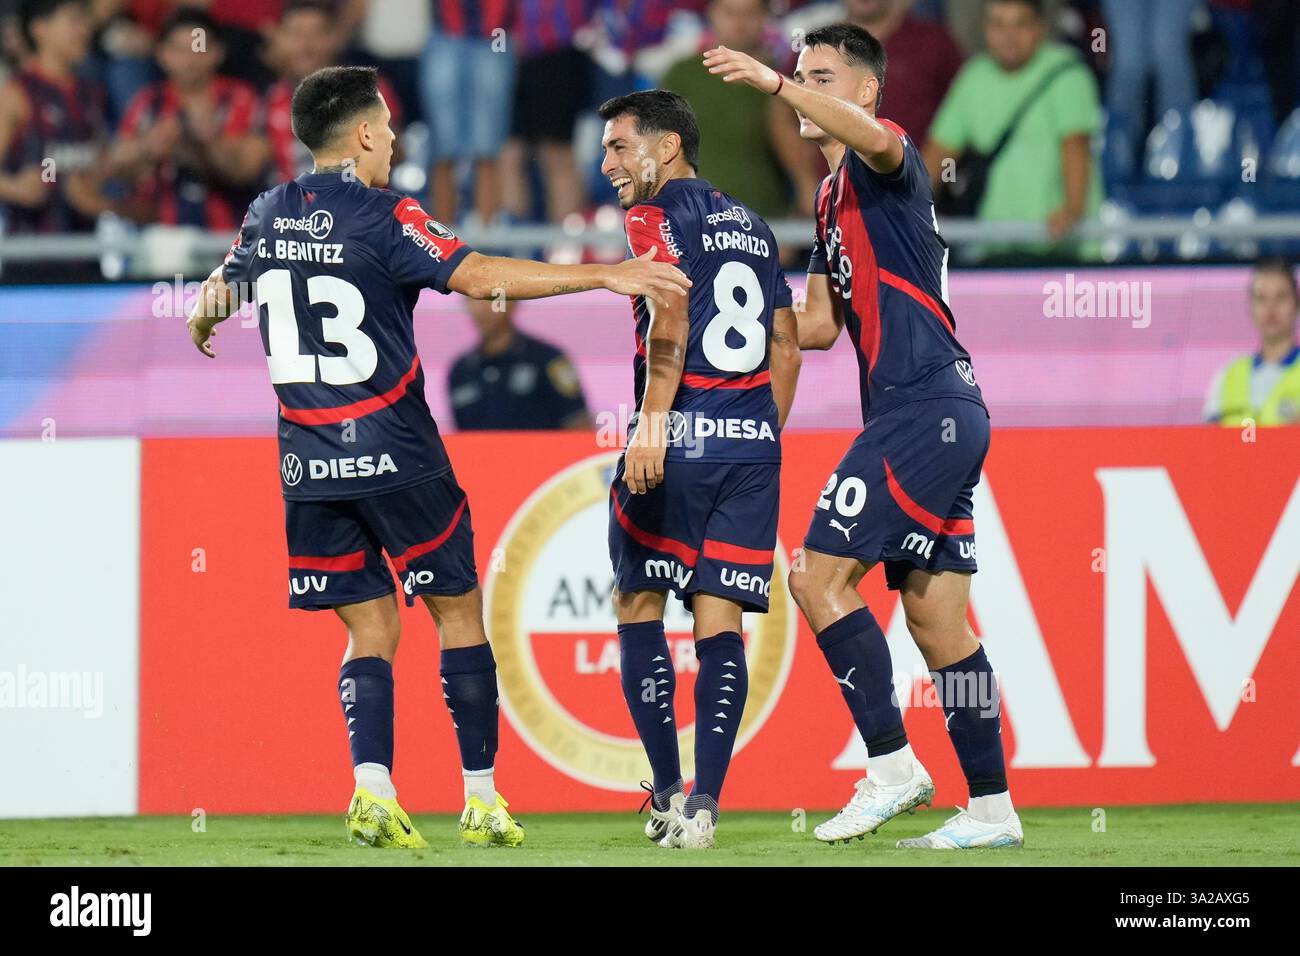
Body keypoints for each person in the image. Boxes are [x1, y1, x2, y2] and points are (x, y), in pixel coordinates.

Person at [184, 66, 691, 848]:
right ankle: (482, 799)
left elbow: (221, 288)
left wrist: (202, 315)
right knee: (456, 611)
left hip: (309, 467)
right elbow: (479, 276)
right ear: (360, 135)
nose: (391, 141)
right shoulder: (388, 214)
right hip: (396, 451)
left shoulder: (268, 211)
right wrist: (603, 272)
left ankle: (373, 789)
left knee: (370, 629)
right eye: (385, 128)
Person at [705, 23, 1023, 850]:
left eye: (821, 75)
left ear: (865, 91)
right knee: (938, 622)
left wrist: (774, 88)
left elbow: (873, 139)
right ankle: (991, 808)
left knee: (814, 574)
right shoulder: (827, 199)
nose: (801, 83)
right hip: (936, 412)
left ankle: (890, 767)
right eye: (797, 71)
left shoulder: (892, 158)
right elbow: (813, 328)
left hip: (925, 407)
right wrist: (733, 267)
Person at [599, 90, 801, 850]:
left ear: (668, 147)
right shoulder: (753, 224)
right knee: (720, 624)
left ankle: (667, 790)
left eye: (621, 146)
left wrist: (653, 424)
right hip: (751, 446)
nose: (608, 164)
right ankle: (706, 808)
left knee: (639, 602)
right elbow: (785, 343)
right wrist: (758, 431)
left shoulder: (653, 215)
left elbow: (671, 312)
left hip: (678, 436)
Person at [923, 0, 1102, 258]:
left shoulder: (1067, 71)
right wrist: (909, 209)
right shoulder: (974, 76)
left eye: (1021, 24)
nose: (1009, 36)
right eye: (999, 24)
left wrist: (1072, 208)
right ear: (985, 29)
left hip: (1064, 248)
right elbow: (938, 154)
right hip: (995, 248)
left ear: (1040, 29)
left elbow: (1075, 145)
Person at [107, 9, 269, 231]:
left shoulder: (241, 98)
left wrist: (211, 141)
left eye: (198, 48)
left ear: (218, 52)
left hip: (228, 236)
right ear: (162, 54)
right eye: (178, 50)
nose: (189, 59)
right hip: (159, 235)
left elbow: (247, 171)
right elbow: (115, 167)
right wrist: (148, 146)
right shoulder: (148, 102)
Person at [660, 0, 820, 223]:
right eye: (730, 12)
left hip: (766, 223)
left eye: (750, 13)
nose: (739, 23)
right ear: (712, 14)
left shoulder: (784, 81)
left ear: (766, 17)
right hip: (694, 222)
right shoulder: (681, 76)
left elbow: (809, 162)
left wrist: (794, 223)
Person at [0, 0, 112, 282]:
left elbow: (99, 167)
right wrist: (15, 188)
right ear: (40, 29)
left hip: (88, 257)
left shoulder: (92, 94)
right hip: (30, 265)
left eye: (86, 21)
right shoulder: (16, 95)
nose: (84, 30)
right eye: (74, 21)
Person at [265, 0, 403, 185]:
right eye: (296, 34)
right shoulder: (262, 98)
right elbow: (240, 166)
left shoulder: (367, 88)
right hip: (289, 210)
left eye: (317, 34)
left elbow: (395, 154)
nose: (307, 46)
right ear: (277, 38)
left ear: (335, 38)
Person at [448, 297, 593, 431]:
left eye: (491, 298)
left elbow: (579, 424)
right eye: (473, 299)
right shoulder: (460, 371)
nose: (481, 308)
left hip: (544, 458)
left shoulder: (548, 359)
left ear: (513, 300)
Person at [842, 0, 963, 150]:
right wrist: (808, 173)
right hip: (830, 172)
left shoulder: (933, 43)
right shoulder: (816, 48)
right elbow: (804, 125)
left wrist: (923, 171)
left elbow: (964, 114)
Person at [1204, 257, 1300, 426]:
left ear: (1296, 304)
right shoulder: (1228, 376)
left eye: (1281, 297)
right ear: (1251, 307)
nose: (1271, 307)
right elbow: (1209, 446)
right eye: (1261, 298)